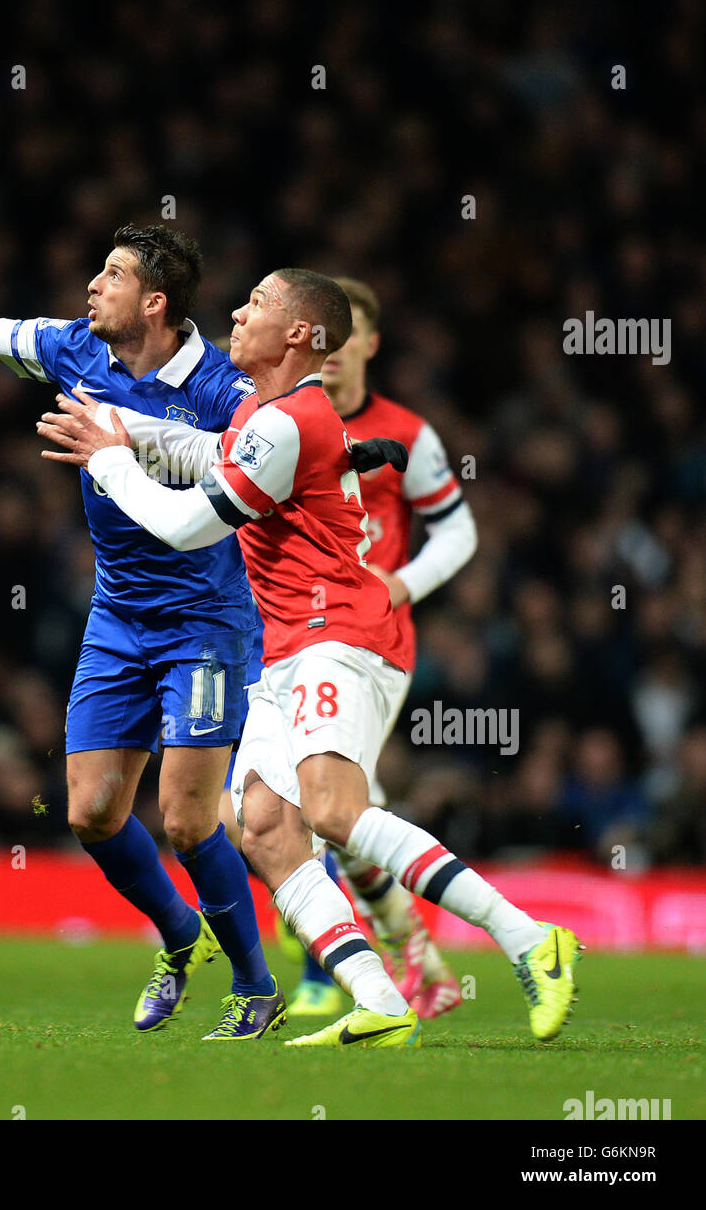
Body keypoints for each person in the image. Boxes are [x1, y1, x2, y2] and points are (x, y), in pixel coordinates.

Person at [38, 267, 582, 1047]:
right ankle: (381, 998)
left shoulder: (287, 421)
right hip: (283, 650)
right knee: (260, 826)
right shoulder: (269, 414)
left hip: (341, 637)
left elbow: (189, 524)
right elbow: (205, 449)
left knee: (330, 810)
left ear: (297, 334)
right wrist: (126, 430)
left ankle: (531, 938)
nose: (236, 309)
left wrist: (110, 461)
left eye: (256, 302)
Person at [0, 227, 285, 1041]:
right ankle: (180, 937)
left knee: (185, 819)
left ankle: (254, 984)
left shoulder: (222, 385)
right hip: (117, 618)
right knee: (91, 816)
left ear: (154, 301)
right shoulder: (75, 349)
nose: (90, 286)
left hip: (206, 626)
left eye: (110, 275)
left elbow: (261, 459)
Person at [260, 276, 479, 1022]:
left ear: (369, 344)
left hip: (370, 637)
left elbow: (458, 531)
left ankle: (340, 968)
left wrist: (404, 584)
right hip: (290, 633)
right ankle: (414, 959)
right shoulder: (282, 419)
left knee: (314, 808)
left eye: (346, 336)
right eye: (321, 336)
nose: (331, 351)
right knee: (334, 815)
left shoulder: (408, 434)